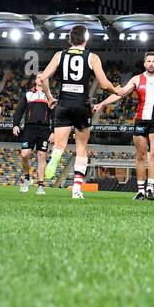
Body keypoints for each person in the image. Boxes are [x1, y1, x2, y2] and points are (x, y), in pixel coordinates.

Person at [38, 25, 117, 199]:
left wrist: (50, 97)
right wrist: (116, 91)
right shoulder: (92, 57)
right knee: (82, 147)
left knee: (59, 144)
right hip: (82, 104)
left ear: (69, 39)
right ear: (86, 39)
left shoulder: (60, 55)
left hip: (64, 103)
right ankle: (76, 190)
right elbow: (104, 84)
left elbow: (43, 77)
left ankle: (55, 157)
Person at [95, 52, 154, 200]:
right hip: (141, 120)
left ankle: (150, 187)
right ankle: (141, 190)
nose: (152, 63)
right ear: (144, 64)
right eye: (149, 61)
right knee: (141, 155)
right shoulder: (137, 79)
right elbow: (120, 93)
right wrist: (102, 103)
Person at [14, 77, 55, 195]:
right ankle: (27, 178)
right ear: (36, 81)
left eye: (43, 78)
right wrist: (15, 124)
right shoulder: (28, 94)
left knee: (42, 156)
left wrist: (53, 131)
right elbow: (19, 110)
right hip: (29, 128)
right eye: (39, 77)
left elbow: (54, 115)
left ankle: (41, 186)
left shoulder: (49, 96)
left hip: (44, 129)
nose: (41, 79)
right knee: (24, 154)